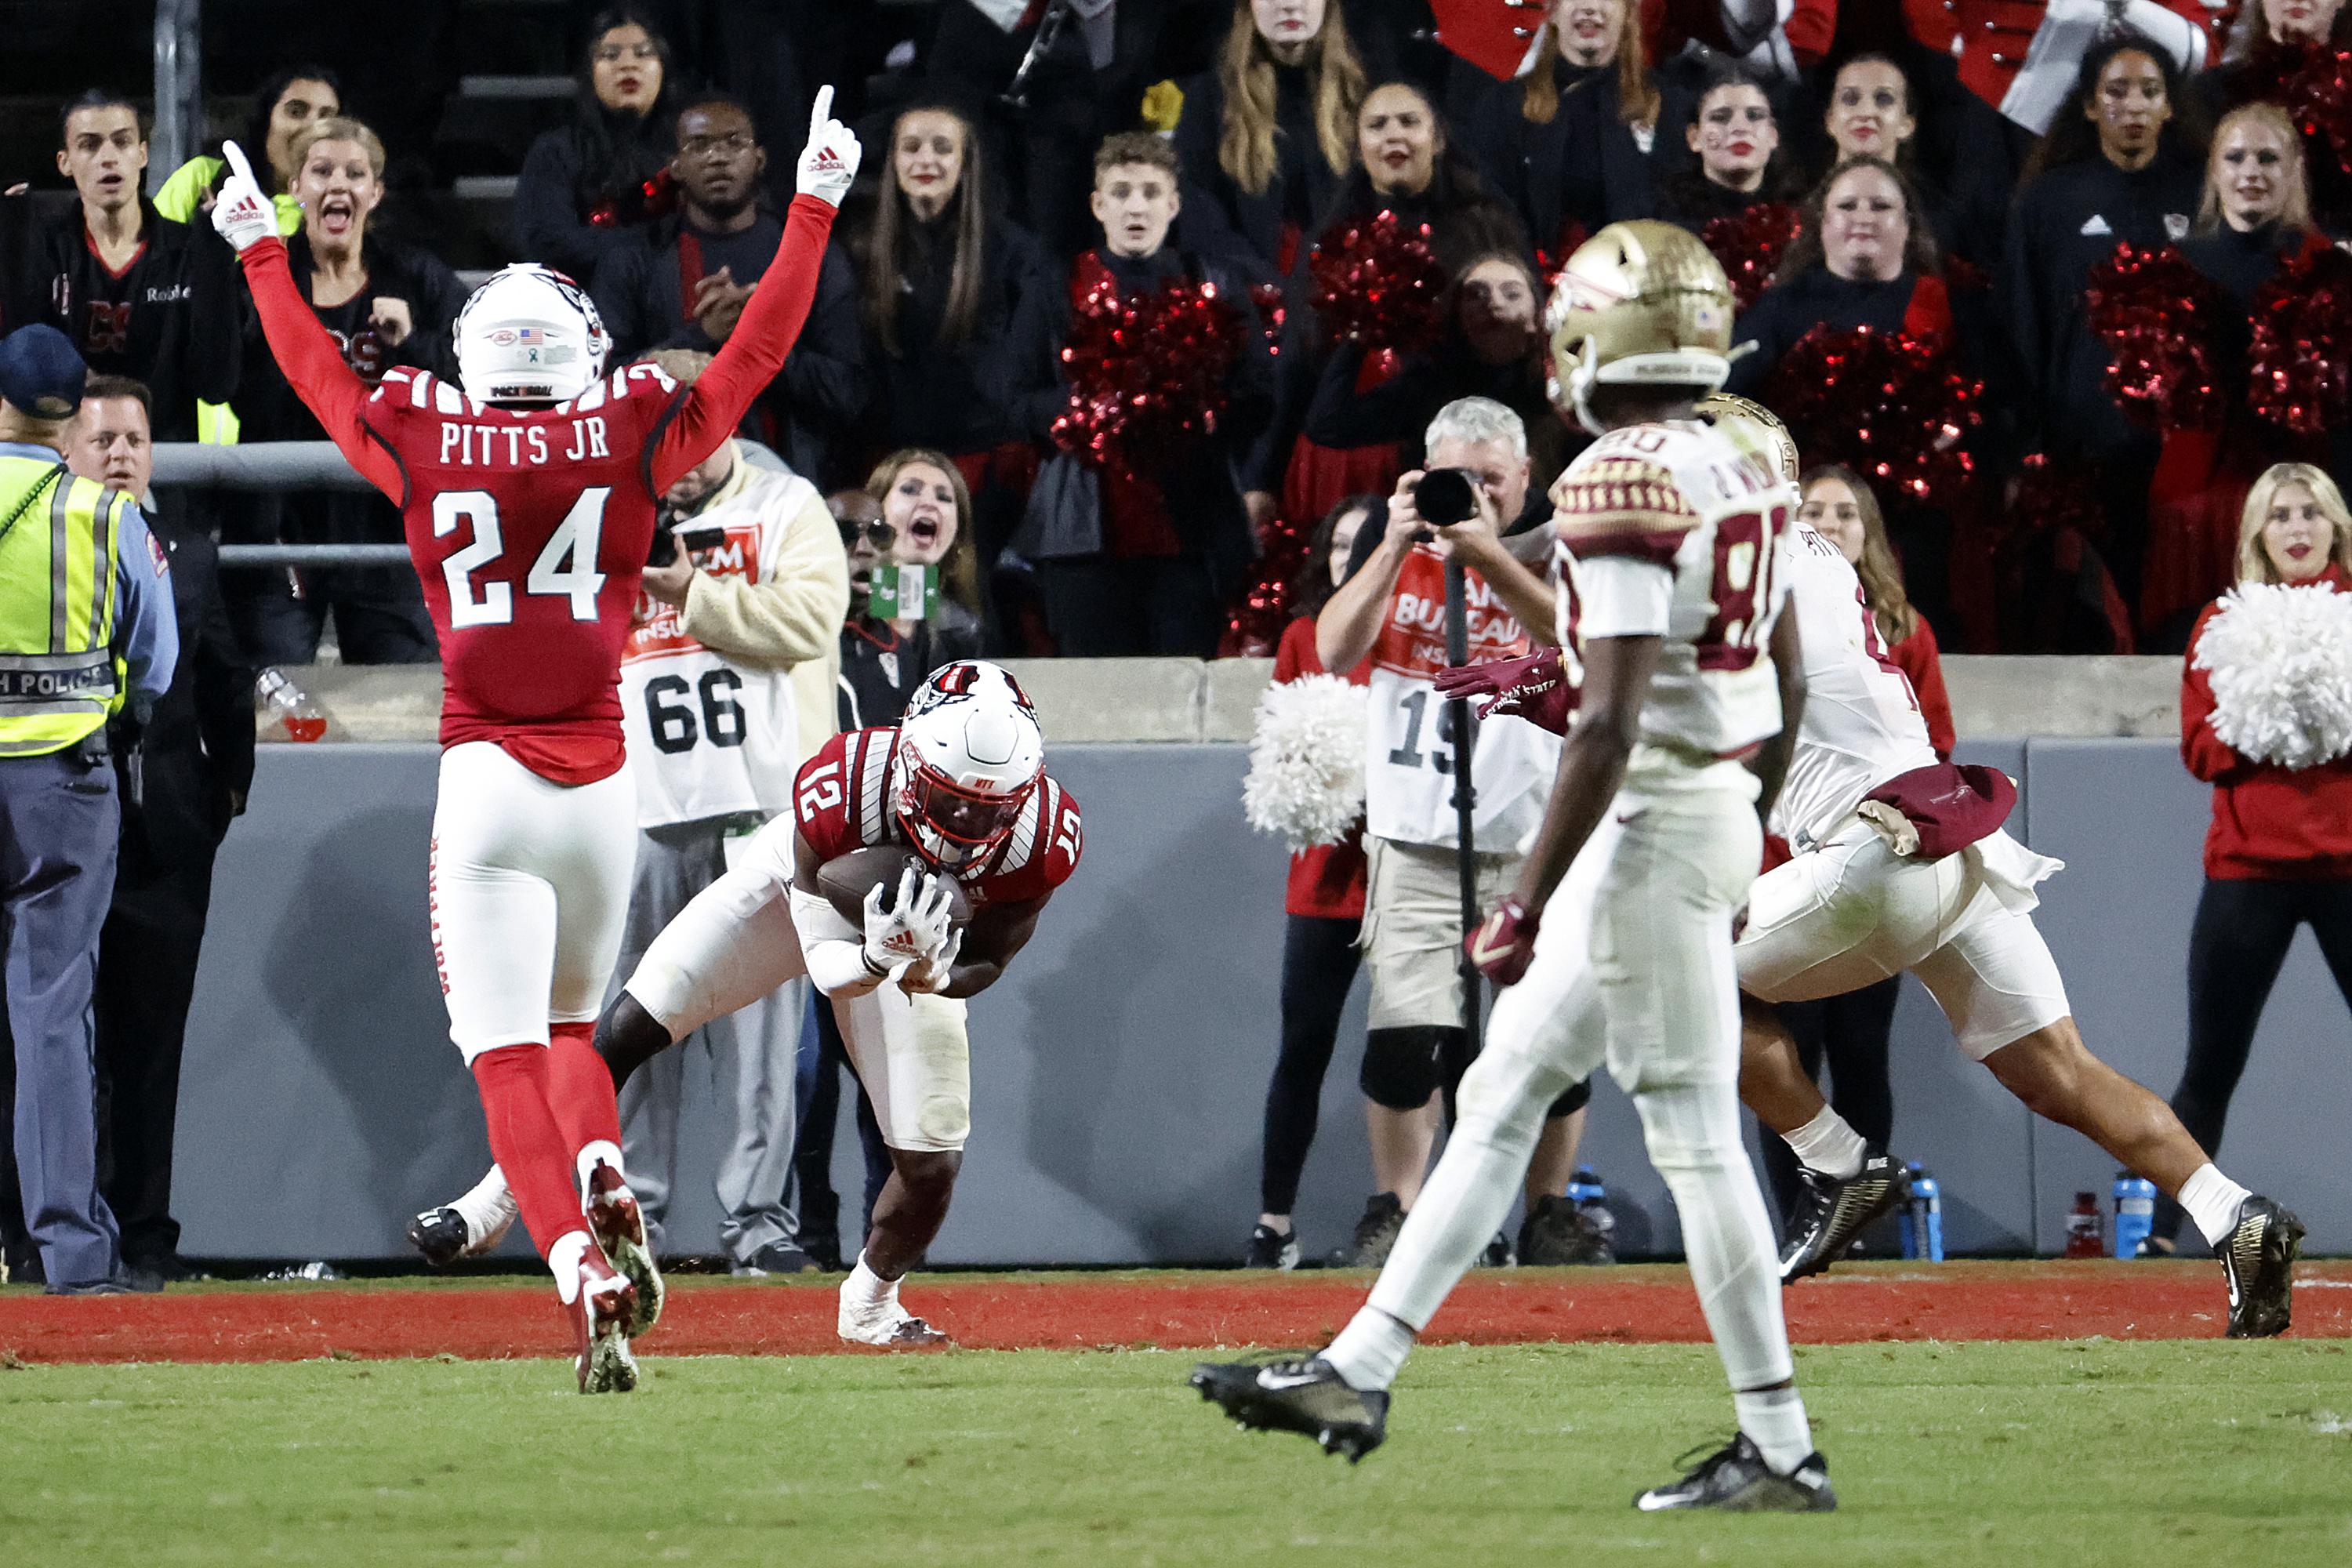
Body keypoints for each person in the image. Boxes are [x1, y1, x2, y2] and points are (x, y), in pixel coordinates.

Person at [211, 88, 860, 1388]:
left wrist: (257, 246)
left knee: (507, 1052)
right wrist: (816, 203)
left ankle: (575, 1265)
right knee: (574, 1035)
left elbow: (314, 375)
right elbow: (752, 360)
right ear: (578, 353)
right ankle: (606, 1168)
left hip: (489, 780)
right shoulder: (624, 430)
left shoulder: (421, 426)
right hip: (604, 787)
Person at [1196, 223, 1831, 1511]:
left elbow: (1600, 715)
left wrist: (1530, 898)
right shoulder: (1742, 464)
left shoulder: (1614, 476)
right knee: (1498, 1095)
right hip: (1697, 806)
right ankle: (1357, 1367)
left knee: (1698, 1138)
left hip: (1648, 823)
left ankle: (1779, 1445)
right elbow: (1793, 673)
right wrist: (1740, 812)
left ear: (1596, 336)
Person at [412, 661, 1081, 1348]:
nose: (968, 821)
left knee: (933, 1162)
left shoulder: (1044, 836)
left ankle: (871, 1307)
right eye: (950, 800)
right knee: (635, 1022)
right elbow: (826, 968)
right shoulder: (846, 782)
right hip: (801, 896)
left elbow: (991, 958)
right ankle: (499, 1195)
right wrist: (879, 955)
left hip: (910, 952)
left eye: (992, 807)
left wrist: (937, 973)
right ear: (910, 763)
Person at [1309, 396, 1583, 1266]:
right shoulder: (1395, 550)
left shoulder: (1557, 547)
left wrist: (1488, 555)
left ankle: (1549, 1210)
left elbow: (1575, 644)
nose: (1475, 494)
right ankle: (1399, 1207)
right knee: (1402, 1036)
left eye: (1491, 479)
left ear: (1525, 479)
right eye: (1456, 478)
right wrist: (1394, 542)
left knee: (1553, 1033)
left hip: (1535, 834)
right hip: (1417, 832)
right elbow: (1334, 647)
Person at [604, 349, 848, 1275]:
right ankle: (636, 1220)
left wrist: (690, 593)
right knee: (636, 1026)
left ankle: (757, 1221)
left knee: (763, 1042)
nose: (682, 445)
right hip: (645, 807)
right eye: (664, 427)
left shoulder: (788, 506)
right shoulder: (613, 515)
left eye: (695, 423)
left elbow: (810, 622)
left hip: (766, 812)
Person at [0, 325, 178, 1296]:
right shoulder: (106, 517)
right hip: (64, 783)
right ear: (71, 416)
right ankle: (71, 1251)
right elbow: (157, 662)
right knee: (53, 1015)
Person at [72, 376, 252, 1292]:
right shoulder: (40, 539)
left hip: (169, 835)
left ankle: (145, 1234)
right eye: (101, 439)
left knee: (150, 1047)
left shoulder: (190, 550)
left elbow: (227, 675)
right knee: (50, 1040)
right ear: (68, 449)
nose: (119, 454)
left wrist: (228, 793)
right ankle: (46, 1229)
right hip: (56, 823)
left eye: (133, 439)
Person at [2150, 463, 2352, 1252]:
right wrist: (2268, 714)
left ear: (2336, 527)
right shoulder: (2218, 624)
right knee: (2211, 1064)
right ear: (2257, 535)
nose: (2298, 528)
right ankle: (2164, 1237)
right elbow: (2200, 748)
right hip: (2246, 874)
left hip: (2347, 872)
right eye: (2280, 516)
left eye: (2312, 513)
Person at [1753, 462, 1947, 1232]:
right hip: (1778, 866)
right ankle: (1799, 1215)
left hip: (1869, 862)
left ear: (1870, 534)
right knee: (1782, 1052)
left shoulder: (1906, 632)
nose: (1828, 523)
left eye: (1845, 512)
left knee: (1864, 1047)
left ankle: (1854, 1220)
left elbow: (1935, 745)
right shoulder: (1754, 616)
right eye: (1815, 510)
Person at [226, 118, 468, 667]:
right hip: (279, 519)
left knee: (402, 693)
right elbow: (230, 388)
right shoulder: (263, 277)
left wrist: (411, 344)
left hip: (388, 517)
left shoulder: (417, 278)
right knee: (273, 693)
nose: (338, 185)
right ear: (294, 187)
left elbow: (468, 380)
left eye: (355, 173)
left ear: (375, 193)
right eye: (321, 171)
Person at [1021, 134, 1272, 656]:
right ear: (1098, 204)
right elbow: (1013, 397)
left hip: (1191, 539)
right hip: (1084, 541)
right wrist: (1086, 414)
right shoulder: (1056, 284)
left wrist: (1202, 411)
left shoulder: (1216, 284)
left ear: (1174, 204)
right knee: (1097, 697)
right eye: (1121, 191)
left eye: (1152, 192)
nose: (1137, 206)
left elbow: (1258, 396)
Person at [1245, 78, 1526, 539]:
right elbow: (1297, 365)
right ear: (1359, 146)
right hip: (1348, 465)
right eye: (1377, 125)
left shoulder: (1489, 227)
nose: (1393, 134)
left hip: (1457, 450)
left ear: (1437, 139)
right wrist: (1262, 478)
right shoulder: (1332, 240)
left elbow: (1514, 349)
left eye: (1409, 122)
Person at [2005, 34, 2206, 612]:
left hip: (2183, 447)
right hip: (2083, 443)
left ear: (2170, 105)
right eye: (2116, 91)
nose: (2134, 105)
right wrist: (2029, 444)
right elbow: (2024, 324)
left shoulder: (2202, 191)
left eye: (2150, 91)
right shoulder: (2048, 201)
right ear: (2090, 105)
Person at [593, 94, 869, 485]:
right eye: (700, 145)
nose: (718, 157)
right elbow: (605, 391)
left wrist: (759, 335)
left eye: (734, 142)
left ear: (759, 158)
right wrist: (700, 336)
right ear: (675, 166)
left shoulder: (811, 256)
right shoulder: (633, 260)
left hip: (790, 479)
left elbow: (848, 393)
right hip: (666, 481)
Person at [1247, 495, 1375, 1269]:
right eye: (1339, 548)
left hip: (1409, 870)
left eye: (1367, 547)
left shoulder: (1419, 631)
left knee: (1432, 1049)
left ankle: (1457, 1220)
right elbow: (1283, 760)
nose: (1350, 561)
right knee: (1302, 1045)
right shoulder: (1304, 637)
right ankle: (1274, 1221)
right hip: (1326, 877)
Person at [859, 103, 1054, 597]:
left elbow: (1024, 368)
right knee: (898, 609)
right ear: (893, 162)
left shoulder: (1015, 251)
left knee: (970, 605)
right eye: (912, 147)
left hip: (987, 473)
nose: (927, 159)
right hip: (892, 467)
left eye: (943, 148)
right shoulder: (860, 249)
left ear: (967, 163)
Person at [0, 92, 240, 445]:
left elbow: (218, 385)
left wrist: (216, 261)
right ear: (64, 162)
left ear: (142, 154)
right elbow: (23, 371)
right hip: (65, 457)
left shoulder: (191, 253)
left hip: (168, 462)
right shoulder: (41, 251)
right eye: (90, 145)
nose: (108, 158)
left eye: (122, 142)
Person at [1171, 1, 1370, 289]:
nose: (1290, 6)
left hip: (1349, 295)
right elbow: (1199, 213)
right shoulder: (1209, 99)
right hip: (1246, 302)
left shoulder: (1363, 94)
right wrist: (1264, 284)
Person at [1461, 0, 1661, 266]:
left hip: (1643, 288)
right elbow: (1491, 212)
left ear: (1628, 12)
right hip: (1537, 286)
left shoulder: (1667, 104)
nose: (1590, 7)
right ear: (1552, 11)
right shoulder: (1503, 107)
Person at [516, 9, 686, 286]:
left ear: (664, 68)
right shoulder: (556, 151)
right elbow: (545, 240)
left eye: (643, 53)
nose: (628, 65)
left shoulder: (688, 148)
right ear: (588, 70)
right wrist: (648, 241)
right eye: (610, 55)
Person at [152, 65, 341, 239]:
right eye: (296, 111)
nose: (312, 126)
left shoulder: (336, 209)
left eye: (327, 117)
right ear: (265, 121)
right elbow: (152, 262)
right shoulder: (204, 177)